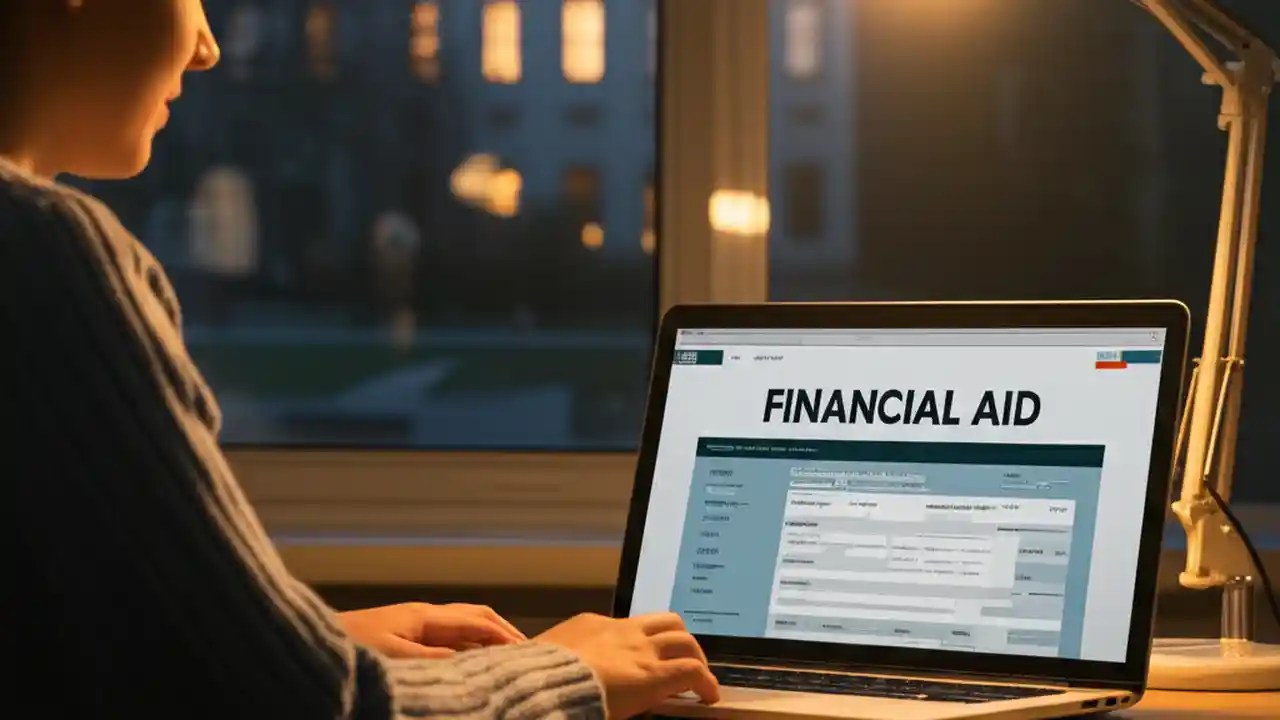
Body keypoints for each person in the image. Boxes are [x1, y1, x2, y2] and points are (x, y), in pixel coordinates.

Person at [0, 1, 719, 717]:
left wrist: (308, 640)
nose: (207, 47)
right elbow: (310, 708)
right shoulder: (40, 255)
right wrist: (569, 672)